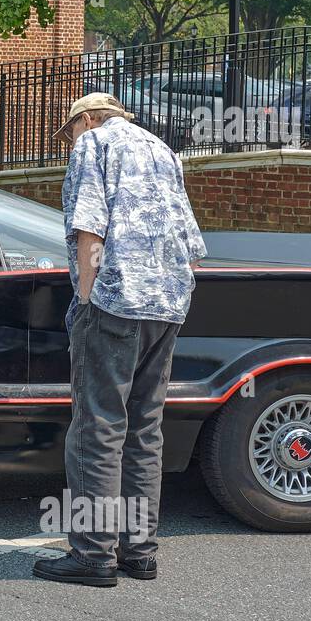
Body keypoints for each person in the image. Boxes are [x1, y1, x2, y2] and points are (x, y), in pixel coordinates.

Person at [33, 93, 207, 587]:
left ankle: (92, 555)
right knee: (145, 429)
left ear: (86, 119)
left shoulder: (95, 145)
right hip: (168, 304)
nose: (70, 144)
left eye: (69, 133)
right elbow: (190, 240)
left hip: (115, 301)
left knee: (97, 427)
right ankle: (140, 551)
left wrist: (86, 300)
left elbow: (89, 226)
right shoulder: (162, 149)